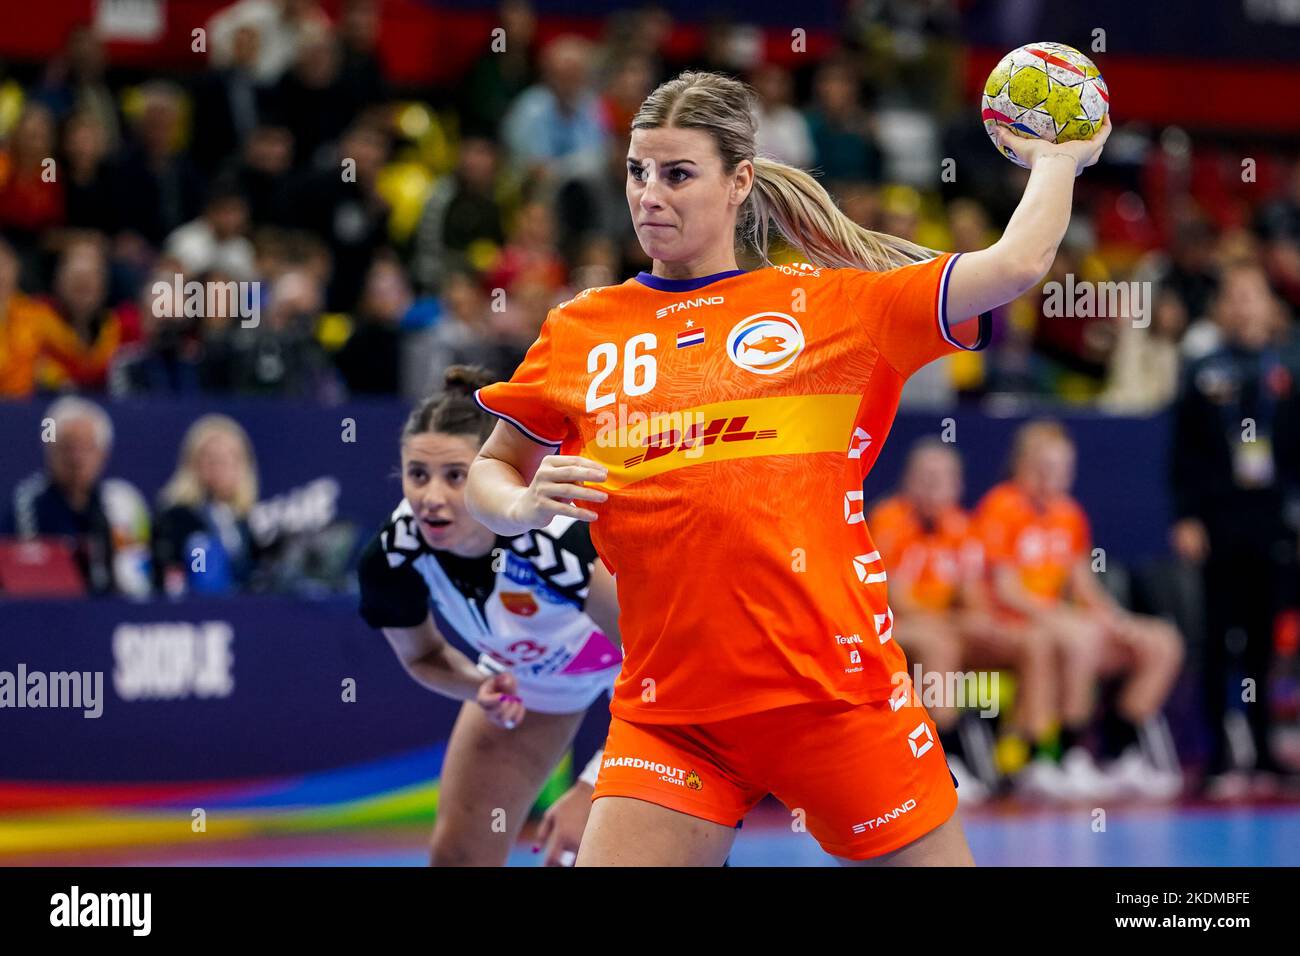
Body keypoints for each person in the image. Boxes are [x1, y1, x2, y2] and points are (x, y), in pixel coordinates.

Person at [465, 70, 1111, 866]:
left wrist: (1059, 161)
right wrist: (523, 503)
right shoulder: (583, 329)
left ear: (739, 182)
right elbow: (488, 477)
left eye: (677, 174)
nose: (648, 196)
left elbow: (1014, 265)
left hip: (836, 702)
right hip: (674, 716)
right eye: (637, 172)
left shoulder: (840, 307)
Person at [357, 366, 623, 866]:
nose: (431, 498)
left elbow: (666, 670)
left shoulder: (558, 543)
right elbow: (425, 655)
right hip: (535, 687)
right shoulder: (393, 553)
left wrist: (594, 787)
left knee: (620, 850)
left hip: (653, 686)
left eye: (456, 476)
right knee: (459, 857)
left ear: (492, 473)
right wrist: (475, 686)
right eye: (417, 474)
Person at [975, 421, 1185, 801]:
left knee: (1161, 642)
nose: (1050, 477)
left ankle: (1121, 751)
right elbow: (1006, 591)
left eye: (1060, 468)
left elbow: (1085, 586)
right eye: (1042, 467)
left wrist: (1119, 622)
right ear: (1021, 464)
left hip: (1063, 623)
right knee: (1080, 637)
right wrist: (1062, 617)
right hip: (1016, 624)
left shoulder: (1070, 514)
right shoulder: (1001, 506)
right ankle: (1063, 755)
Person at [1170, 262, 1300, 797]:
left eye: (1254, 296)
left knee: (1266, 639)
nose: (1245, 306)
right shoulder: (1203, 367)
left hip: (1271, 518)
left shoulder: (1288, 366)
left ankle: (1266, 747)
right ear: (1223, 307)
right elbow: (1183, 451)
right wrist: (1185, 516)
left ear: (1270, 306)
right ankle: (1219, 754)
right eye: (1236, 296)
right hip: (1219, 519)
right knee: (1218, 636)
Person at [869, 439, 1057, 804]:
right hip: (891, 626)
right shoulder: (889, 518)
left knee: (1031, 640)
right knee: (942, 645)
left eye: (943, 479)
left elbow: (972, 595)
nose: (933, 487)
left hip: (943, 622)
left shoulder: (961, 526)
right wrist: (959, 622)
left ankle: (1024, 759)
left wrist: (985, 622)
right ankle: (947, 756)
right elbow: (898, 599)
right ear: (908, 481)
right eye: (925, 478)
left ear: (957, 485)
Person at [1, 396, 151, 597]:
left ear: (102, 454)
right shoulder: (27, 501)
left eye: (85, 448)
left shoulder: (122, 502)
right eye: (67, 448)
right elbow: (26, 574)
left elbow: (138, 576)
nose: (76, 459)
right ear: (50, 451)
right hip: (51, 611)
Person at [153, 415, 261, 596]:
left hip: (245, 611)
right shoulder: (176, 518)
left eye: (228, 458)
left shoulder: (247, 521)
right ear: (193, 464)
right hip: (196, 609)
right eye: (210, 458)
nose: (218, 467)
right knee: (201, 548)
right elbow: (181, 568)